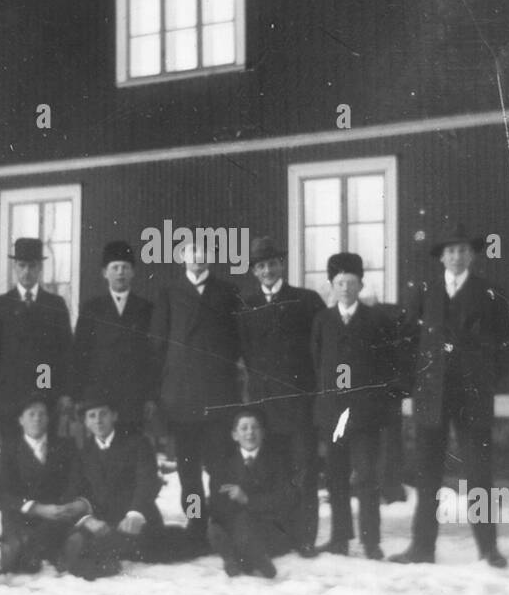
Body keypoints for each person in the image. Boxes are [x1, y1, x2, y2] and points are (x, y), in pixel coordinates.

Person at [391, 226, 509, 568]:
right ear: (441, 257)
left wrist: (484, 380)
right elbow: (406, 343)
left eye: (462, 250)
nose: (457, 257)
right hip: (432, 396)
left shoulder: (490, 293)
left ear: (471, 255)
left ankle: (488, 549)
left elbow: (507, 347)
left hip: (473, 397)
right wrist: (414, 384)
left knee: (479, 473)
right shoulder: (424, 292)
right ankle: (421, 548)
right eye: (450, 251)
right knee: (427, 474)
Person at [149, 238, 242, 548]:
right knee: (188, 469)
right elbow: (158, 342)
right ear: (183, 258)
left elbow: (236, 341)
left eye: (205, 252)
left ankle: (220, 522)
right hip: (181, 396)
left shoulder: (227, 291)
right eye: (192, 252)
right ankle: (196, 524)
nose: (199, 257)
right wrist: (161, 390)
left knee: (219, 465)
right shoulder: (169, 292)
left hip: (218, 395)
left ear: (212, 257)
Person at [237, 235, 325, 556]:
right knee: (275, 473)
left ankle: (305, 537)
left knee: (304, 472)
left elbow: (320, 350)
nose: (268, 270)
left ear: (281, 265)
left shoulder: (306, 300)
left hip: (300, 403)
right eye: (261, 266)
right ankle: (279, 535)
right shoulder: (246, 306)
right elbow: (246, 353)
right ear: (254, 271)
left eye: (272, 264)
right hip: (265, 406)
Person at [311, 252, 398, 560]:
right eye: (340, 283)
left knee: (366, 478)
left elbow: (388, 365)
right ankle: (339, 538)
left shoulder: (377, 320)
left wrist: (378, 406)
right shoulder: (323, 321)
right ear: (332, 286)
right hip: (333, 414)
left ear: (361, 285)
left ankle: (371, 541)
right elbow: (316, 363)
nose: (345, 288)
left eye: (351, 282)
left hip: (365, 415)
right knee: (336, 478)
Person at [0, 395, 97, 576]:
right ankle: (26, 551)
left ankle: (55, 551)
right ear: (21, 420)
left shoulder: (65, 446)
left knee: (68, 536)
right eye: (31, 414)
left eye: (42, 414)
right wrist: (36, 508)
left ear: (48, 419)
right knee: (20, 547)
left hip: (57, 514)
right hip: (22, 516)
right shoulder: (10, 449)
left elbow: (75, 481)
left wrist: (64, 506)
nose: (37, 418)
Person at [0, 237, 74, 447]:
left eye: (32, 266)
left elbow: (66, 352)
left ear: (40, 268)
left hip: (45, 388)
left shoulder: (55, 304)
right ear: (15, 267)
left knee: (44, 449)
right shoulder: (1, 304)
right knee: (12, 450)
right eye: (22, 265)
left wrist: (66, 393)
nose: (26, 272)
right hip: (10, 394)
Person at [69, 241, 155, 436]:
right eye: (115, 268)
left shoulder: (146, 309)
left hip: (134, 398)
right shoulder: (92, 309)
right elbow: (80, 353)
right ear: (105, 273)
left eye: (125, 267)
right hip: (99, 398)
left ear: (133, 272)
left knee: (132, 445)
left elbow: (152, 356)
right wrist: (79, 395)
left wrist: (150, 396)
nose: (120, 273)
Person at [207, 407, 298, 579]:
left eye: (255, 427)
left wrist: (247, 499)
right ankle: (250, 560)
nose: (250, 433)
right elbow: (216, 502)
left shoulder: (277, 461)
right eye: (244, 428)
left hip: (267, 526)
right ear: (235, 435)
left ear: (262, 433)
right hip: (234, 526)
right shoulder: (224, 464)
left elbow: (285, 499)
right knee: (214, 528)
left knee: (244, 524)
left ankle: (236, 560)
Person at [77, 394, 165, 562]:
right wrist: (88, 519)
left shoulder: (138, 443)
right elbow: (79, 489)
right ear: (86, 422)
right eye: (92, 416)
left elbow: (147, 481)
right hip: (103, 524)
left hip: (137, 518)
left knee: (148, 549)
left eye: (103, 414)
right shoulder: (84, 451)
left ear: (114, 416)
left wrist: (135, 513)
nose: (98, 420)